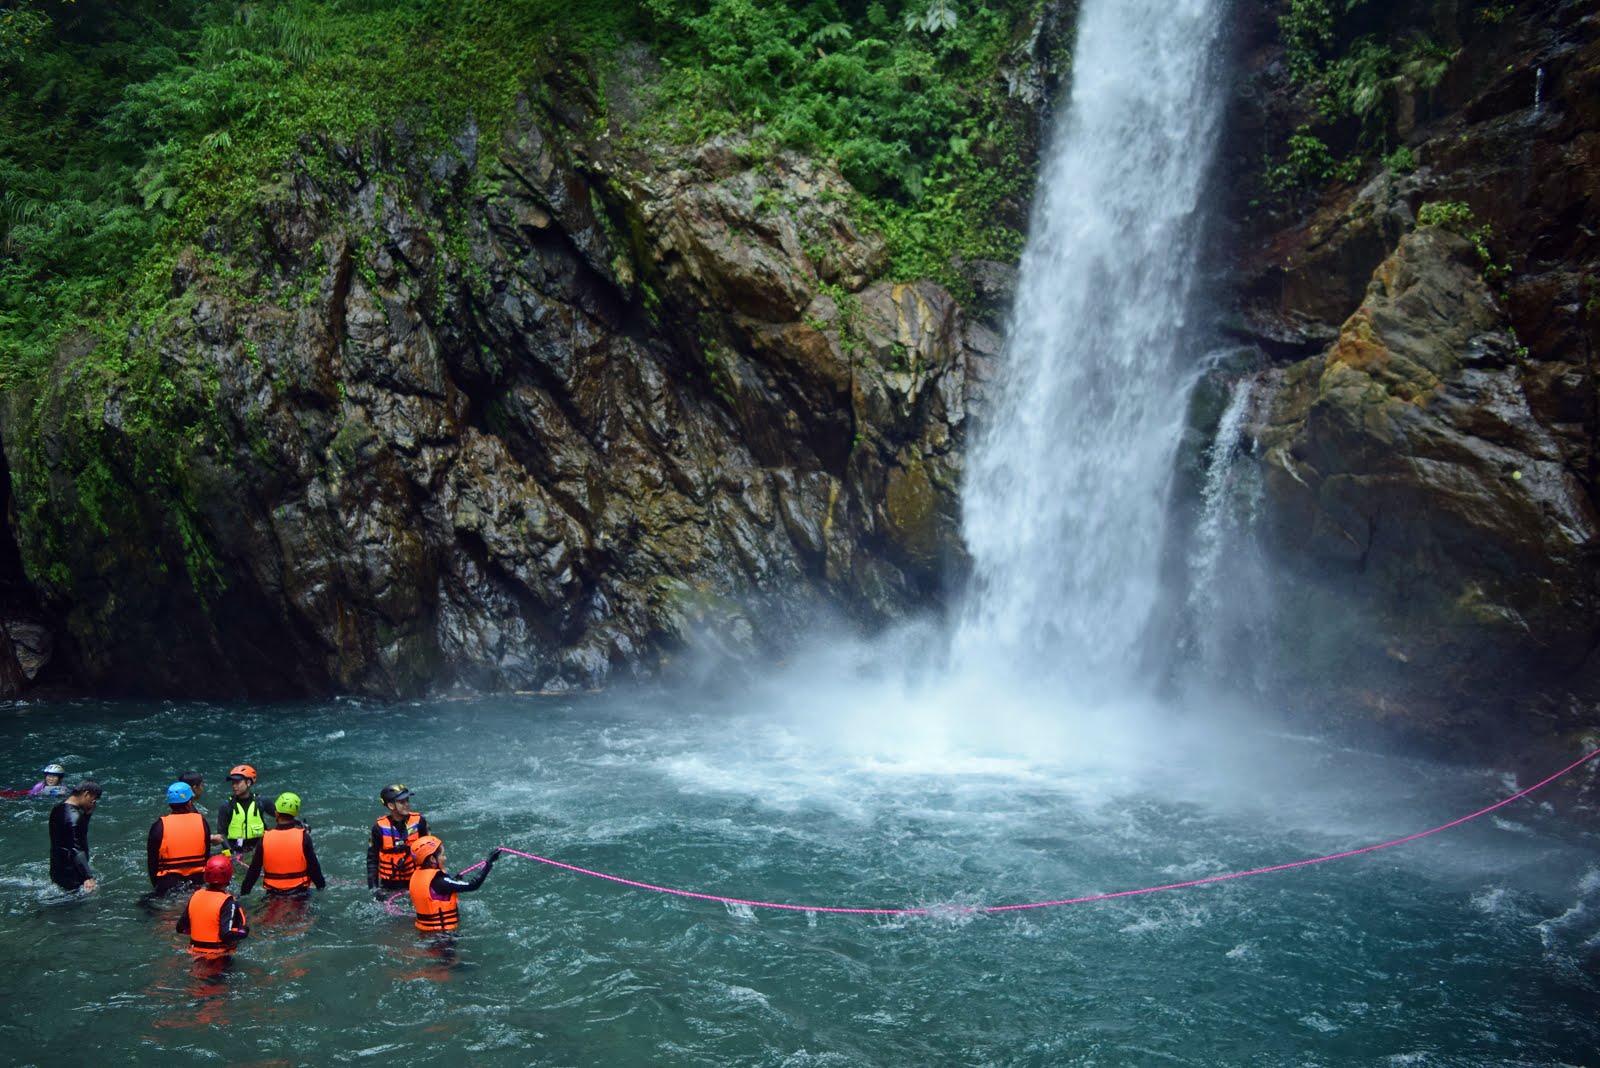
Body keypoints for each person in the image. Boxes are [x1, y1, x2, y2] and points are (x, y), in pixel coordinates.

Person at [239, 792, 326, 897]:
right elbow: (313, 867)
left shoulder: (265, 838)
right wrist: (321, 886)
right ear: (294, 815)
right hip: (300, 893)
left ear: (276, 814)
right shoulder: (304, 837)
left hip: (273, 894)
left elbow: (254, 870)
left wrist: (244, 892)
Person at [407, 836, 500, 934]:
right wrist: (489, 863)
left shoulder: (416, 876)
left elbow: (437, 890)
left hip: (424, 932)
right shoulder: (440, 881)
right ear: (432, 859)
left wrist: (452, 882)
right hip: (443, 936)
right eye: (442, 855)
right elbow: (473, 885)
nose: (445, 858)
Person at [176, 854, 249, 957]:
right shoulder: (228, 901)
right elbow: (226, 935)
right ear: (229, 876)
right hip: (218, 957)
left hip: (194, 954)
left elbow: (181, 928)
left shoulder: (196, 895)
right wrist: (244, 932)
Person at [148, 781, 213, 894]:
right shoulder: (202, 822)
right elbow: (206, 856)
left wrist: (157, 886)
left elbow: (152, 862)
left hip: (169, 886)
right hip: (197, 883)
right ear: (189, 803)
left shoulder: (159, 826)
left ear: (170, 804)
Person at [368, 783, 430, 898]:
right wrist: (374, 889)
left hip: (415, 881)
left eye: (407, 800)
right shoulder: (378, 829)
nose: (407, 804)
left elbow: (431, 852)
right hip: (389, 885)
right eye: (402, 802)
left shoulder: (420, 822)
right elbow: (372, 860)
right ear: (391, 806)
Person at [47, 781, 101, 892]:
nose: (93, 803)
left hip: (56, 867)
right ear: (86, 794)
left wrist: (87, 815)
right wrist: (88, 877)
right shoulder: (75, 817)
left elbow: (74, 835)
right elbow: (76, 848)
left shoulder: (58, 809)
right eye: (93, 799)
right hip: (72, 872)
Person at [217, 764, 274, 857]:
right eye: (233, 783)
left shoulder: (262, 801)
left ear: (248, 782)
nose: (234, 786)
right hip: (235, 848)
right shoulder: (226, 806)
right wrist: (231, 852)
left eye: (237, 782)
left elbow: (282, 816)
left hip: (258, 847)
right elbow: (222, 833)